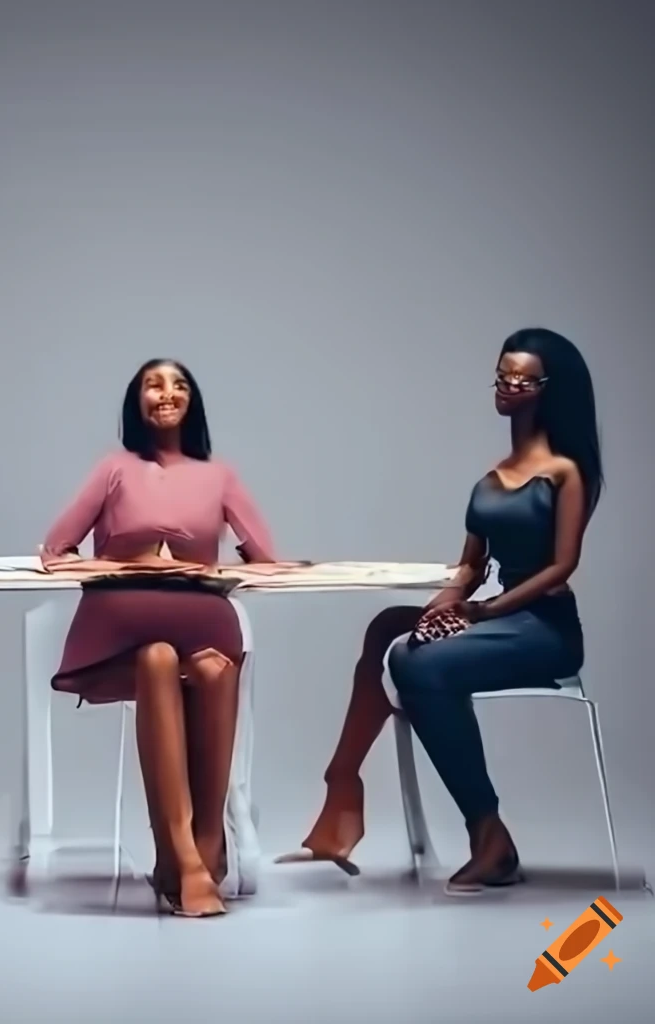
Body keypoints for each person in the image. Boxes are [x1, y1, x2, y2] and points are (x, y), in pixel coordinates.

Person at [280, 328, 602, 895]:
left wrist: (479, 613)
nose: (508, 386)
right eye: (502, 374)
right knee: (389, 628)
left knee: (417, 663)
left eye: (523, 379)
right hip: (495, 612)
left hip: (544, 628)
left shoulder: (565, 473)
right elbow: (470, 566)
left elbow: (561, 567)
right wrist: (444, 605)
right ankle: (343, 790)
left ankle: (488, 835)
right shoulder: (491, 478)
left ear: (548, 390)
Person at [40, 359, 275, 917]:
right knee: (157, 658)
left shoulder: (219, 476)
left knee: (207, 665)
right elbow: (55, 551)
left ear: (192, 402)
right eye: (153, 384)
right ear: (137, 401)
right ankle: (185, 860)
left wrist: (208, 571)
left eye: (178, 384)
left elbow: (265, 558)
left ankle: (202, 848)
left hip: (202, 621)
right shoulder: (114, 469)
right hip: (121, 624)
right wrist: (123, 567)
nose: (167, 393)